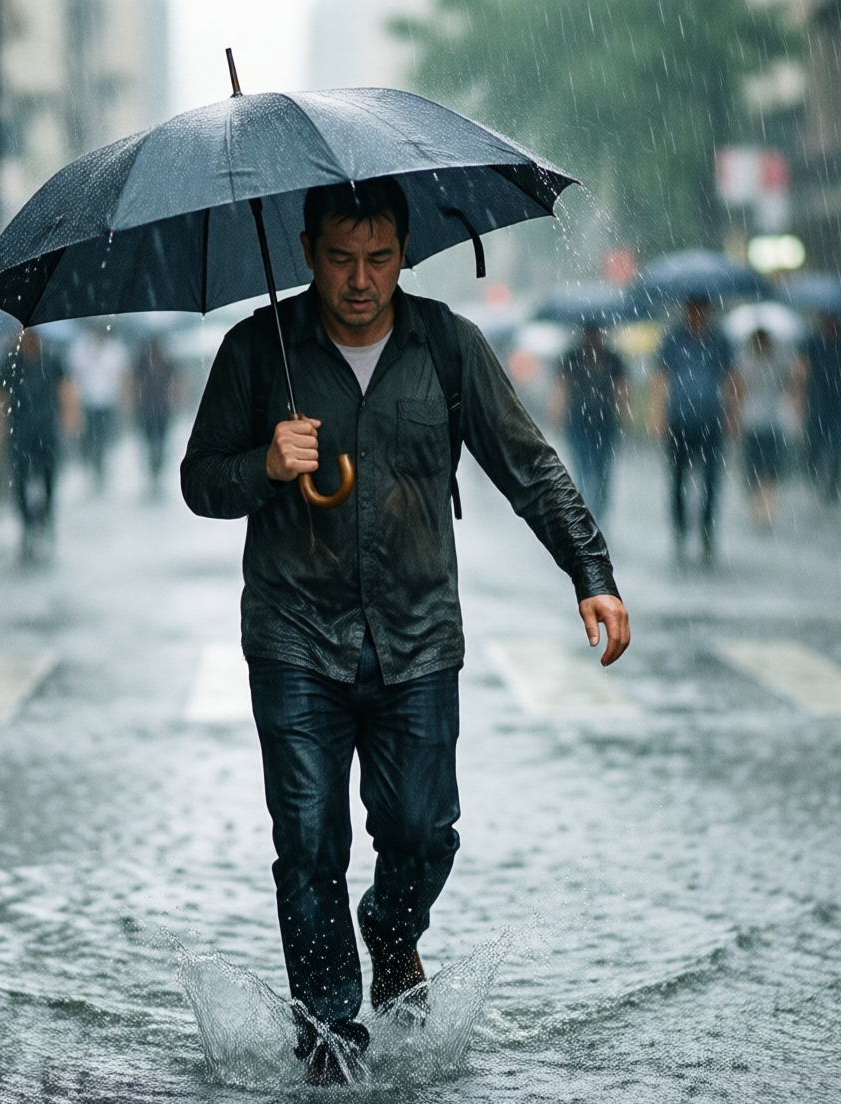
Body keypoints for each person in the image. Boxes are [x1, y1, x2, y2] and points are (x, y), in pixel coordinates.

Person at [181, 177, 630, 1085]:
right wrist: (263, 462)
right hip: (293, 635)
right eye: (341, 259)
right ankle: (332, 1029)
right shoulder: (256, 351)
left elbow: (529, 466)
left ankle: (391, 931)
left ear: (404, 254)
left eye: (378, 259)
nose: (359, 280)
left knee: (425, 833)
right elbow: (200, 481)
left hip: (418, 636)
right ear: (308, 251)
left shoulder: (447, 346)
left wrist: (591, 574)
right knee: (307, 843)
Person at [648, 294, 740, 564]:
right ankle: (680, 528)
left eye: (701, 309)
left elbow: (731, 376)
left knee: (711, 479)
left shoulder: (719, 339)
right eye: (692, 309)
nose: (696, 314)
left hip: (711, 421)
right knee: (678, 478)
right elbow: (660, 377)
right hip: (679, 421)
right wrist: (658, 415)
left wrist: (733, 412)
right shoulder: (673, 338)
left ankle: (707, 528)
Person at [0, 328, 76, 560]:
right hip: (19, 430)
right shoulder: (10, 361)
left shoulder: (51, 360)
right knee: (21, 478)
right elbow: (0, 393)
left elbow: (64, 390)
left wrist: (69, 418)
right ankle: (26, 524)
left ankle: (47, 515)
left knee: (49, 476)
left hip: (46, 429)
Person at [552, 322, 627, 524]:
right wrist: (558, 410)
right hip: (578, 422)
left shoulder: (612, 359)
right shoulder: (573, 356)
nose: (593, 339)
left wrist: (622, 410)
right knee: (582, 469)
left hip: (605, 423)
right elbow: (563, 384)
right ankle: (585, 512)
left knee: (603, 471)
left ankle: (599, 512)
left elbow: (621, 388)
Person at [795, 311, 841, 505]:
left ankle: (833, 486)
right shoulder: (812, 340)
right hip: (816, 401)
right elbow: (802, 368)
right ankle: (814, 477)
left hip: (840, 402)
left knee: (837, 446)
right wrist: (800, 397)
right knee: (814, 443)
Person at [736, 327, 792, 526]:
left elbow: (739, 389)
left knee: (760, 466)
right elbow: (788, 384)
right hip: (762, 422)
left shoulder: (748, 361)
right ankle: (764, 505)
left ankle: (761, 505)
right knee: (764, 466)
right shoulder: (771, 362)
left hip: (763, 422)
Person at [67, 321, 128, 490]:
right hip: (87, 401)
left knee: (101, 436)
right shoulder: (81, 349)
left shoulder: (113, 351)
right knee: (88, 436)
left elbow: (119, 376)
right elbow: (75, 374)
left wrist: (122, 400)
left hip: (106, 401)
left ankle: (99, 464)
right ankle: (91, 462)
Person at [132, 334, 177, 498]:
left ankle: (156, 472)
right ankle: (153, 471)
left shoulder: (167, 363)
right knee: (150, 441)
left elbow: (174, 383)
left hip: (162, 409)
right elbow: (135, 383)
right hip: (146, 409)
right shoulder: (142, 363)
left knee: (160, 443)